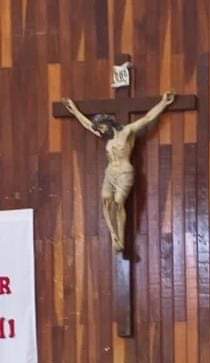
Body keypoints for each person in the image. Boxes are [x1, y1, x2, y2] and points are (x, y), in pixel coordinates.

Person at [61, 92, 176, 252]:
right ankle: (114, 235)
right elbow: (87, 125)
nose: (100, 131)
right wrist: (74, 110)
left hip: (124, 171)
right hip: (110, 172)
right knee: (106, 200)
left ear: (108, 123)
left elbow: (148, 118)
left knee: (118, 202)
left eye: (101, 126)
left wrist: (164, 103)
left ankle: (120, 238)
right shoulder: (106, 137)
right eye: (99, 129)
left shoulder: (127, 132)